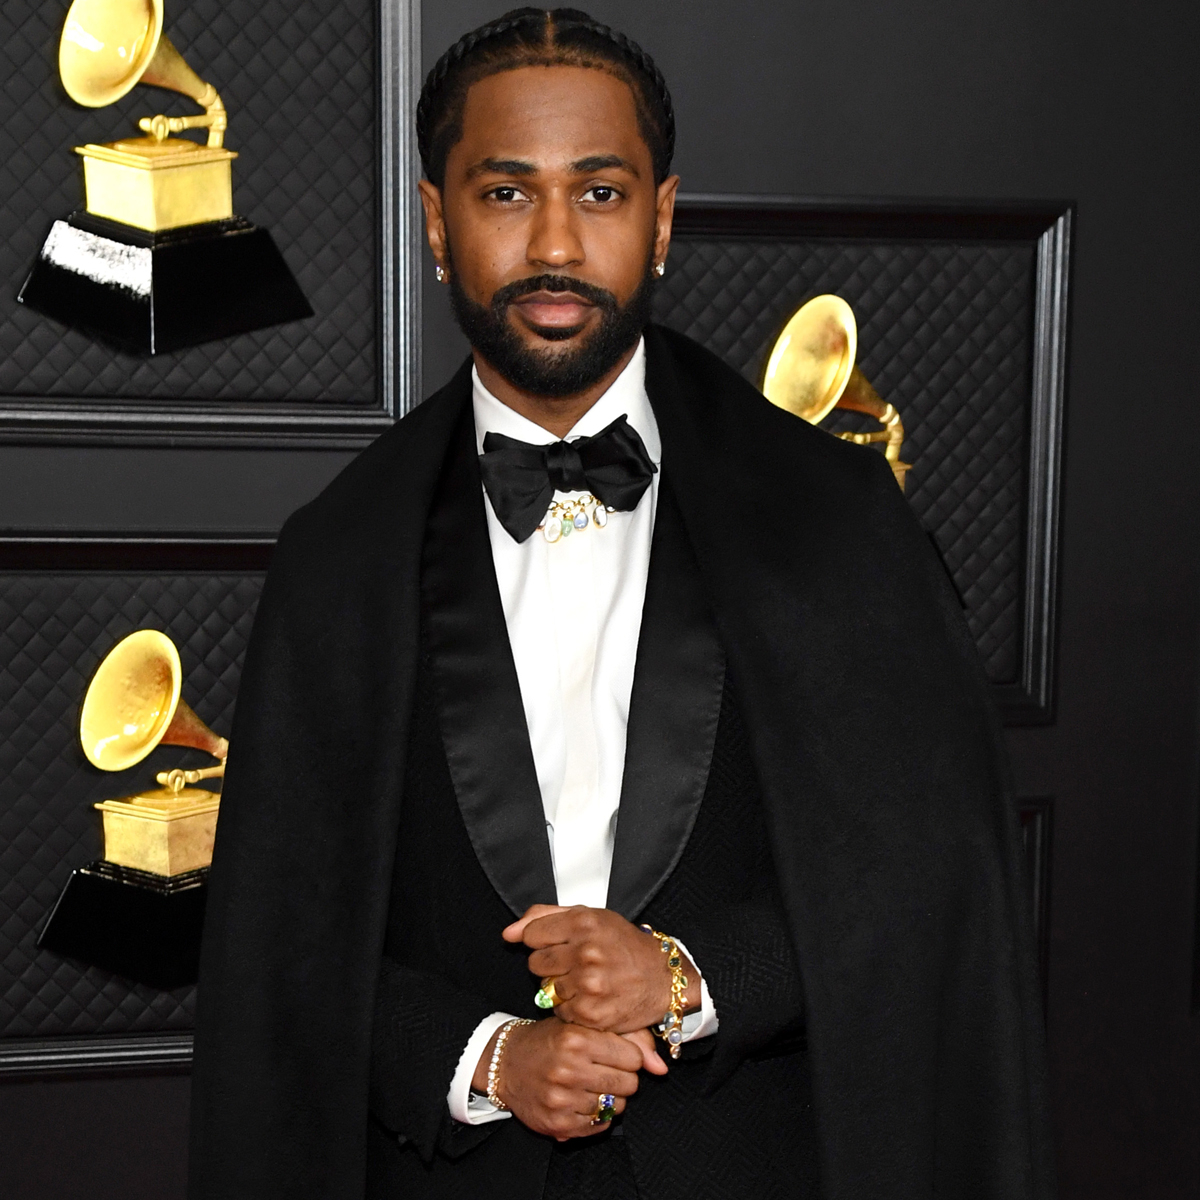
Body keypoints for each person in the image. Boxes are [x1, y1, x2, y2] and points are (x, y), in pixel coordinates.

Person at [188, 9, 1054, 1199]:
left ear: (663, 218)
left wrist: (693, 978)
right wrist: (487, 1059)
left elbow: (927, 876)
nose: (554, 243)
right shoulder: (336, 559)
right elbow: (283, 948)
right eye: (506, 194)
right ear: (437, 222)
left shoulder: (837, 520)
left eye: (599, 194)